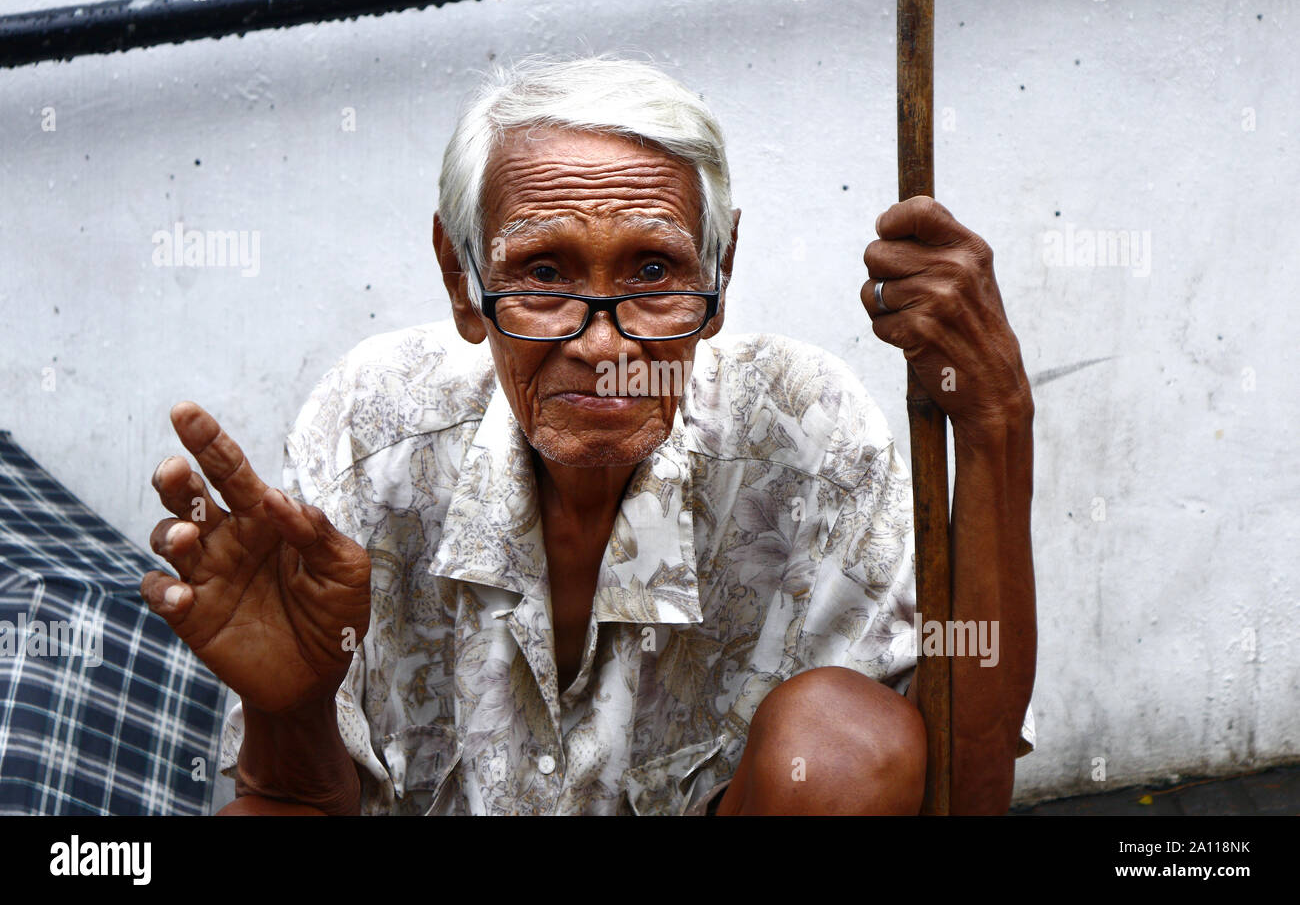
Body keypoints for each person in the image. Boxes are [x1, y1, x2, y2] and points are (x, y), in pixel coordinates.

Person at [140, 55, 1036, 815]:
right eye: (542, 272)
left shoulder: (801, 433)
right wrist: (289, 708)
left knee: (847, 745)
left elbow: (965, 794)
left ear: (719, 277)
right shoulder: (372, 432)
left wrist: (996, 426)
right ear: (462, 283)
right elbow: (292, 804)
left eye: (655, 270)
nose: (602, 345)